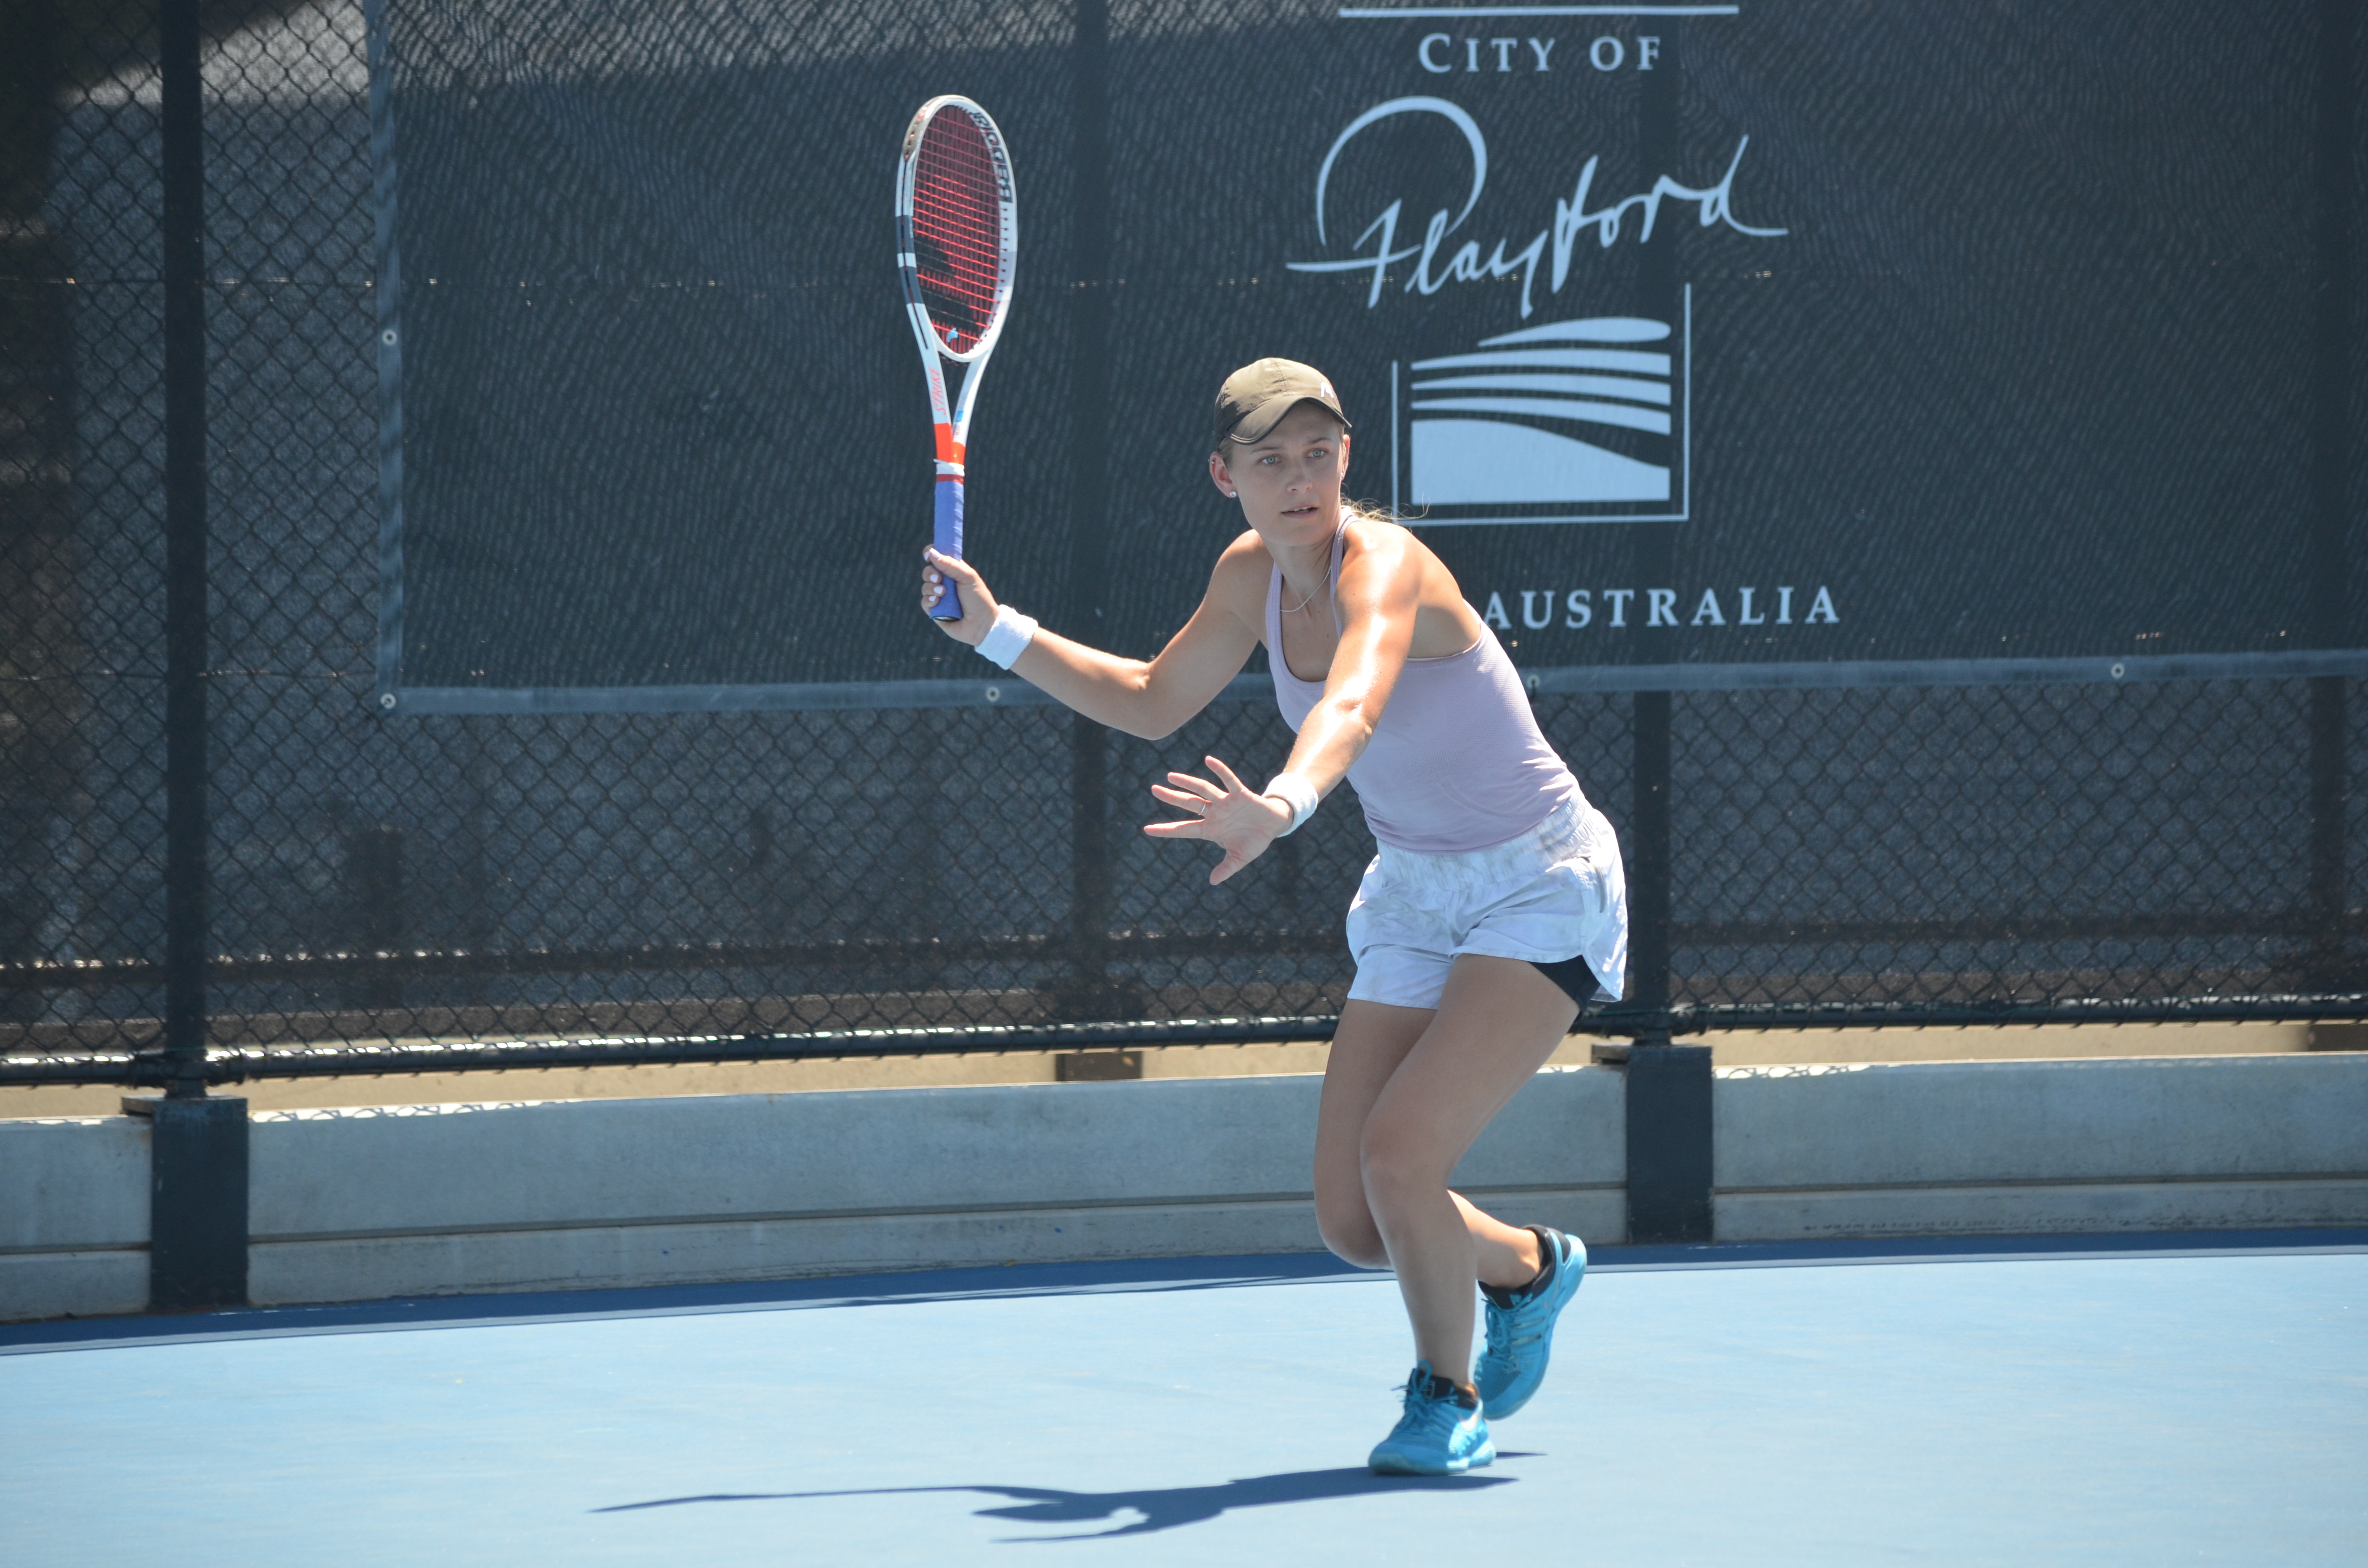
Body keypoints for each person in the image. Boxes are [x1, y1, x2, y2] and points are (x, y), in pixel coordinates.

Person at [919, 359, 1628, 1476]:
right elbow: (1152, 698)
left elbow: (1352, 701)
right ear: (1225, 475)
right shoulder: (1249, 572)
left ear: (1345, 458)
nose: (1297, 478)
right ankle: (1532, 1271)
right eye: (1269, 459)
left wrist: (1284, 806)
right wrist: (997, 633)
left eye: (1316, 453)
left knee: (1401, 1159)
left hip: (1534, 880)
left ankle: (1446, 1398)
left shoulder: (1386, 564)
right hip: (1416, 891)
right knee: (1356, 1219)